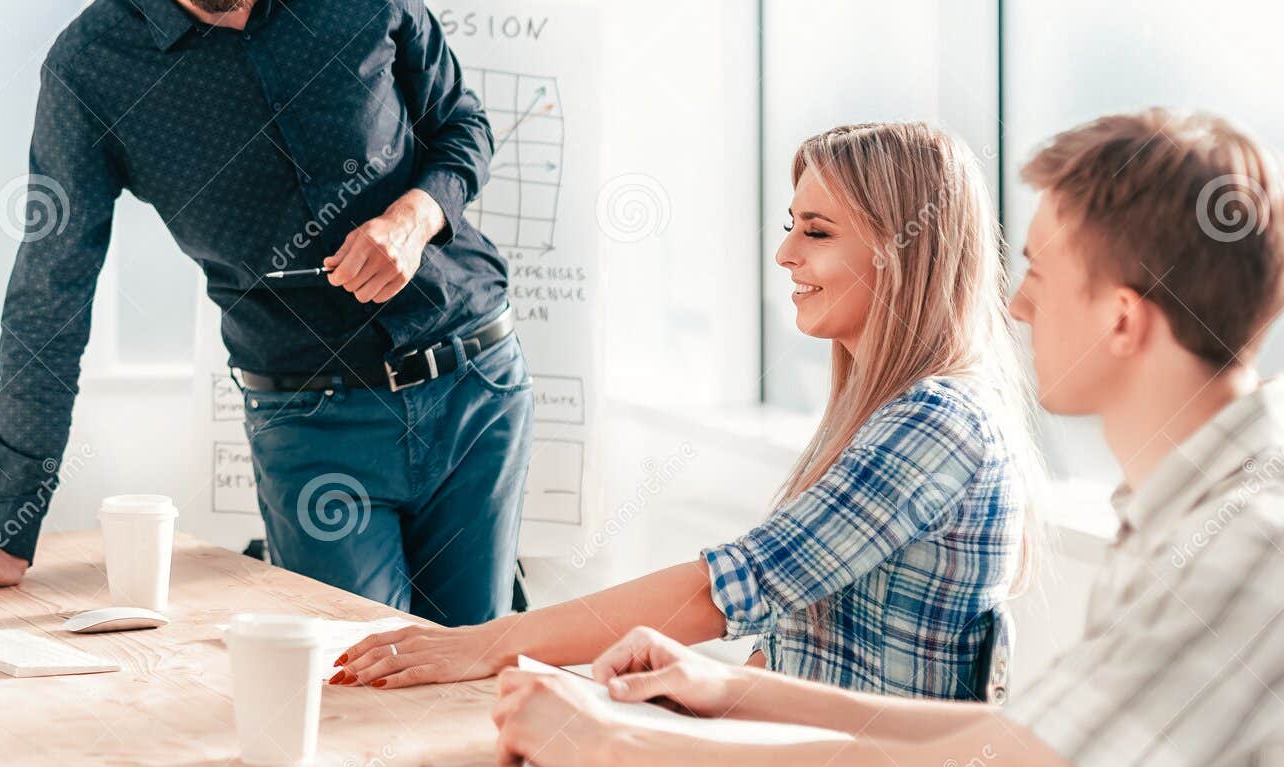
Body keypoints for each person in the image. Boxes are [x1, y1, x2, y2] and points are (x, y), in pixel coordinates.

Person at [493, 109, 1284, 767]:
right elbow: (1011, 737)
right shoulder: (1184, 514)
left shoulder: (1249, 545)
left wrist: (616, 746)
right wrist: (727, 686)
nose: (1017, 304)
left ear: (1121, 320)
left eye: (1041, 272)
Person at [0, 0, 534, 626]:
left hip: (475, 387)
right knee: (352, 669)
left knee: (474, 670)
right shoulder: (91, 71)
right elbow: (51, 291)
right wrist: (13, 527)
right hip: (313, 423)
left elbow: (461, 125)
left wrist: (415, 219)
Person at [337, 121, 1043, 702]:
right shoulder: (894, 411)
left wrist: (487, 643)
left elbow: (731, 589)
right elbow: (798, 642)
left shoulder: (936, 424)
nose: (784, 253)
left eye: (818, 233)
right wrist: (685, 700)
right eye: (791, 226)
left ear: (902, 252)